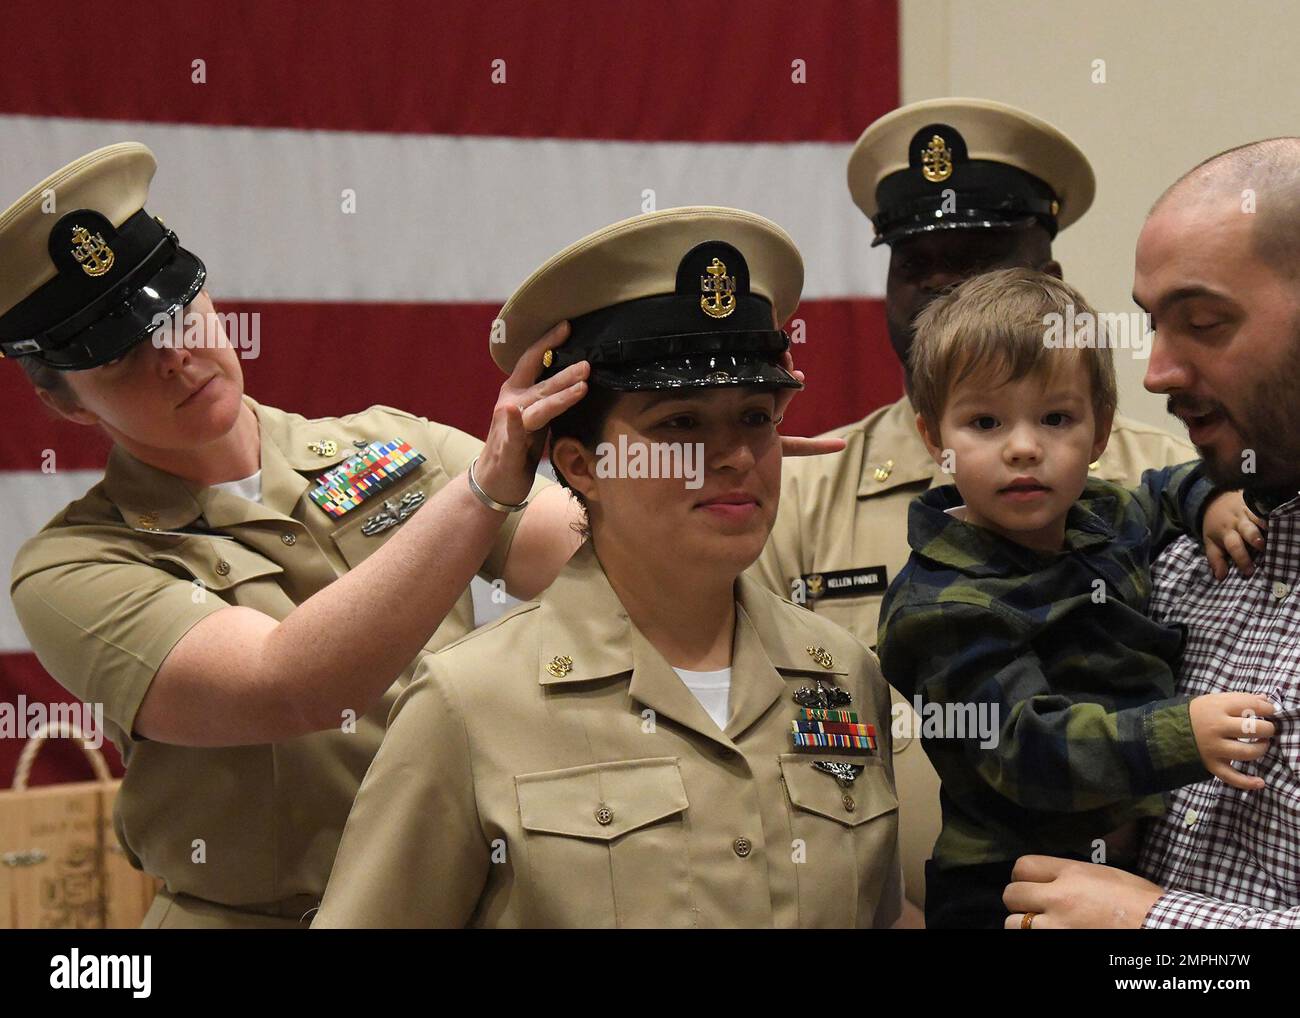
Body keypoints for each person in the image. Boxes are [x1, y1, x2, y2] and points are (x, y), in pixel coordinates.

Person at [312, 206, 904, 928]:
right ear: (581, 465)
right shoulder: (470, 704)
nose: (734, 457)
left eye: (755, 416)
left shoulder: (842, 674)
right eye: (679, 424)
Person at [748, 98, 1196, 916]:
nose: (942, 288)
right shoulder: (795, 500)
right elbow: (764, 750)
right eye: (917, 263)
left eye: (981, 262)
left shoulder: (1158, 487)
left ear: (1046, 286)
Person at [874, 267, 1272, 929]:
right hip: (1003, 885)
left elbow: (1165, 489)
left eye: (1055, 418)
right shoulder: (941, 605)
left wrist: (1212, 501)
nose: (1024, 447)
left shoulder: (1101, 514)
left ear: (1099, 432)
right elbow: (1027, 750)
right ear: (934, 441)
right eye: (985, 422)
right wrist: (1184, 736)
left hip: (1123, 871)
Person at [1002, 138, 1300, 929]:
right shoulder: (1169, 564)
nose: (1156, 371)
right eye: (1153, 325)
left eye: (1203, 322)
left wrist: (1155, 930)